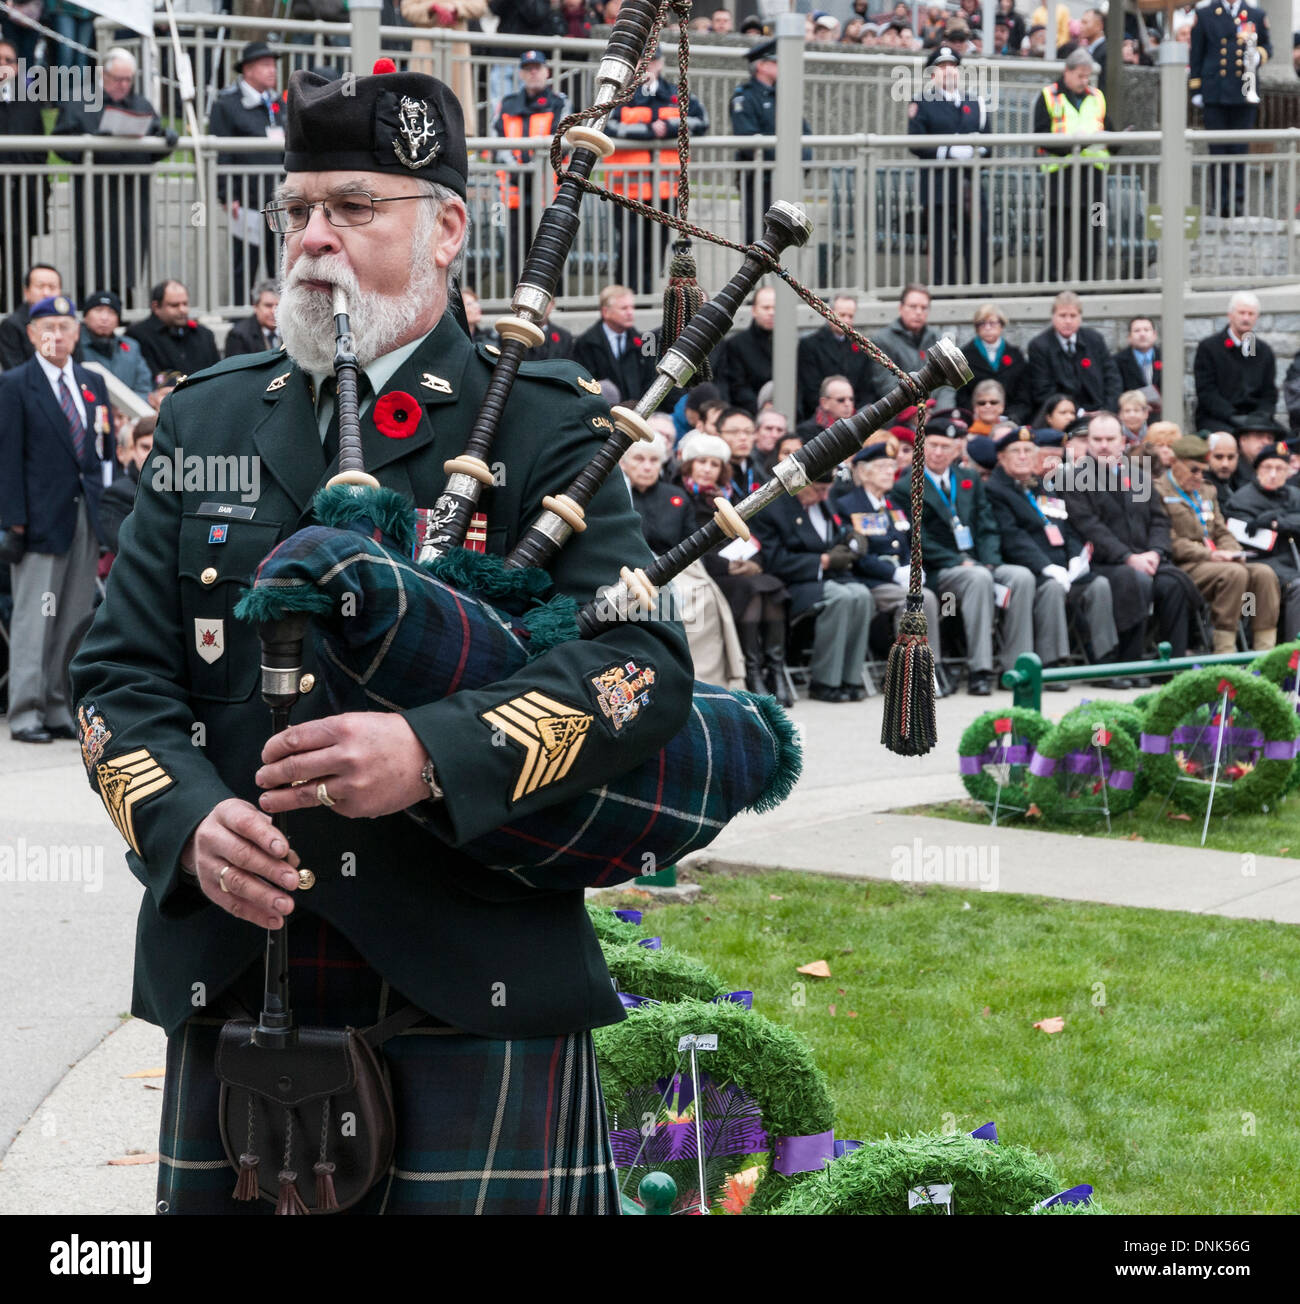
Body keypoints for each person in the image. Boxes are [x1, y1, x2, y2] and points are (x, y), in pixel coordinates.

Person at [70, 63, 696, 1216]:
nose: (315, 238)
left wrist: (434, 753)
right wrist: (184, 818)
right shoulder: (208, 415)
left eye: (354, 207)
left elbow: (636, 670)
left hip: (472, 987)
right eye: (297, 208)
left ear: (448, 227)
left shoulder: (549, 427)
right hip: (241, 985)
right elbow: (113, 678)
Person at [0, 295, 109, 743]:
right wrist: (14, 521)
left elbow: (100, 453)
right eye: (48, 327)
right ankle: (25, 709)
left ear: (76, 333)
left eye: (66, 326)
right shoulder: (15, 384)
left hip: (86, 513)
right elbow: (7, 460)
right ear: (31, 334)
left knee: (73, 615)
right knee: (33, 617)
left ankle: (59, 704)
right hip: (38, 518)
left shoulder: (91, 383)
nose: (58, 335)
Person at [889, 416, 1036, 695]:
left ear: (957, 450)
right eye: (932, 445)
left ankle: (1016, 666)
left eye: (945, 446)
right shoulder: (905, 486)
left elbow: (986, 525)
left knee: (1021, 577)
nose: (938, 452)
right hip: (940, 568)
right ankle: (980, 669)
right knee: (977, 578)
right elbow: (918, 539)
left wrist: (991, 558)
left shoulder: (968, 479)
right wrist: (960, 561)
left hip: (979, 561)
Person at [1064, 411, 1198, 668]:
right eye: (1097, 439)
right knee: (1134, 581)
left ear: (1123, 442)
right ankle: (1128, 662)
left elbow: (1160, 520)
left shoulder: (1137, 475)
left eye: (1110, 439)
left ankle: (1173, 667)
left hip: (1147, 559)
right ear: (1089, 442)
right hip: (1104, 563)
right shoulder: (1074, 478)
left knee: (1174, 584)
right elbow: (1089, 527)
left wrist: (1156, 553)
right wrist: (1128, 557)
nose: (1103, 445)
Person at [984, 423, 1118, 676]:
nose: (1023, 456)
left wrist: (1074, 560)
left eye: (1028, 450)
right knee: (1052, 588)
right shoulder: (995, 489)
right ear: (1001, 458)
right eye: (1016, 451)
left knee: (1098, 584)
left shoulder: (1042, 486)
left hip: (1062, 568)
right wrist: (1046, 566)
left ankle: (1104, 660)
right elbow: (1012, 537)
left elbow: (1066, 527)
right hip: (1029, 569)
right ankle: (1051, 663)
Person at [51, 47, 176, 307]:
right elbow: (60, 144)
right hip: (93, 197)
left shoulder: (141, 104)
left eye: (128, 80)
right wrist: (93, 146)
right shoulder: (79, 102)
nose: (123, 85)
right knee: (93, 258)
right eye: (117, 79)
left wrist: (166, 140)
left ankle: (124, 312)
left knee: (128, 261)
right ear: (103, 75)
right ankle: (93, 312)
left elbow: (153, 145)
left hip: (132, 198)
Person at [674, 430, 791, 703]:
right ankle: (753, 672)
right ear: (690, 464)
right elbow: (691, 547)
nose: (707, 469)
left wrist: (754, 564)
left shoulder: (727, 498)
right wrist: (730, 568)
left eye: (714, 464)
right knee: (749, 588)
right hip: (707, 573)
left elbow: (750, 537)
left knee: (771, 587)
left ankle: (774, 669)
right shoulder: (680, 496)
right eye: (702, 462)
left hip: (738, 569)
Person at [750, 459, 878, 704]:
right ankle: (825, 681)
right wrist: (824, 561)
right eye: (817, 489)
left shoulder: (823, 503)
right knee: (841, 597)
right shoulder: (774, 509)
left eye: (826, 490)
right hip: (790, 584)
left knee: (861, 594)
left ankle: (849, 678)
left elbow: (832, 535)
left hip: (824, 579)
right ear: (799, 485)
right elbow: (772, 560)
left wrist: (850, 540)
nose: (823, 496)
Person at [621, 437, 744, 689]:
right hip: (627, 567)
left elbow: (692, 542)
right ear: (624, 463)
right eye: (639, 459)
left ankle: (704, 680)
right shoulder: (618, 497)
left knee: (701, 595)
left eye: (654, 460)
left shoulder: (675, 496)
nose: (647, 466)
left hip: (675, 568)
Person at [830, 438, 944, 675]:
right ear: (864, 472)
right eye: (882, 467)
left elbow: (905, 543)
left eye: (892, 467)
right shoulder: (848, 505)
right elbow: (857, 553)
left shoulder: (892, 506)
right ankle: (907, 673)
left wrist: (911, 569)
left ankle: (930, 667)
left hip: (896, 579)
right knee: (912, 601)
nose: (889, 473)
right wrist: (892, 572)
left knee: (928, 596)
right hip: (870, 580)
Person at [1161, 433, 1279, 651]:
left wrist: (1234, 553)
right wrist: (1211, 555)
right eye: (1193, 469)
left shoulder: (1206, 490)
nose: (1199, 476)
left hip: (1218, 561)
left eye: (1202, 471)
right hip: (1185, 564)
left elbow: (1221, 531)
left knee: (1263, 574)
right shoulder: (1159, 491)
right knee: (1234, 575)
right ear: (1176, 464)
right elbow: (1168, 540)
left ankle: (1263, 646)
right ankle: (1224, 648)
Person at [605, 45, 708, 293]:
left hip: (664, 189)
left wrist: (670, 126)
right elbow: (609, 126)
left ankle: (647, 296)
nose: (648, 65)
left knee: (658, 247)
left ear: (661, 64)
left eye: (652, 61)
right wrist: (650, 131)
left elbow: (702, 122)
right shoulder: (621, 93)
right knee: (629, 248)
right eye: (643, 60)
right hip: (628, 190)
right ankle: (626, 295)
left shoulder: (676, 93)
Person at [207, 42, 286, 306]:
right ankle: (238, 313)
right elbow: (221, 154)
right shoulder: (227, 104)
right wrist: (226, 195)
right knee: (245, 264)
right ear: (248, 70)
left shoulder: (277, 103)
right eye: (265, 65)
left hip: (278, 198)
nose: (272, 70)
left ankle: (281, 317)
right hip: (246, 198)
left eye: (273, 65)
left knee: (281, 262)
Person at [906, 45, 990, 288]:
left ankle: (979, 290)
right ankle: (944, 293)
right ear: (933, 75)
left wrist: (975, 152)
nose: (948, 72)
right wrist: (948, 151)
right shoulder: (922, 102)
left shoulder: (976, 103)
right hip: (939, 186)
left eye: (952, 67)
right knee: (942, 243)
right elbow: (916, 142)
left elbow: (989, 144)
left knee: (976, 240)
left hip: (968, 185)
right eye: (942, 68)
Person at [493, 50, 569, 290]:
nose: (533, 72)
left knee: (550, 251)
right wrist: (518, 169)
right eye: (528, 68)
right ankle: (519, 303)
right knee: (517, 253)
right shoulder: (507, 104)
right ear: (521, 74)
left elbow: (564, 141)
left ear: (547, 72)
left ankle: (555, 305)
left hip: (548, 192)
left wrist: (538, 170)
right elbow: (497, 141)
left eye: (537, 67)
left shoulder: (560, 102)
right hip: (515, 191)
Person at [1033, 48, 1110, 283]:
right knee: (1058, 237)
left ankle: (1088, 284)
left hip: (1094, 180)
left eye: (1088, 76)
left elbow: (1110, 128)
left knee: (1094, 231)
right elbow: (1040, 137)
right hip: (1061, 180)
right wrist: (1073, 146)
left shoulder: (1097, 96)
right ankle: (1051, 284)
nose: (1084, 81)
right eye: (1080, 76)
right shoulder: (1048, 95)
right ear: (1067, 72)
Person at [1190, 0, 1273, 217]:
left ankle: (1237, 202)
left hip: (1244, 90)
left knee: (1239, 149)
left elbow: (1267, 46)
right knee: (1217, 150)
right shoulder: (1205, 13)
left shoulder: (1255, 14)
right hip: (1215, 91)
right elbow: (1197, 52)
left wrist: (1258, 56)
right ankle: (1219, 202)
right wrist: (1196, 89)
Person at [730, 39, 810, 246]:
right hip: (759, 180)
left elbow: (804, 134)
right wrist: (785, 161)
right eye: (776, 62)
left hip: (786, 179)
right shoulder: (744, 97)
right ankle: (760, 280)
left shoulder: (784, 96)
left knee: (789, 238)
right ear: (761, 66)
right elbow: (748, 140)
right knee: (757, 237)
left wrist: (802, 165)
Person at [1224, 439, 1300, 640]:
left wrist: (1277, 521)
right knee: (1298, 587)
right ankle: (1294, 652)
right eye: (1267, 467)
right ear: (1257, 470)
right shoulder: (1242, 498)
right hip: (1261, 562)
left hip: (1292, 561)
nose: (1273, 474)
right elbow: (1246, 533)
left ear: (1288, 471)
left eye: (1279, 468)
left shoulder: (1294, 494)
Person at [0, 37, 47, 312]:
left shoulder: (29, 102)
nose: (3, 66)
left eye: (9, 61)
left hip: (20, 198)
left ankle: (14, 318)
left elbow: (39, 148)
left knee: (18, 261)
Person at [1193, 291, 1278, 430]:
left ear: (1257, 317)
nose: (1246, 318)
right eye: (1241, 312)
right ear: (1230, 315)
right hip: (1217, 418)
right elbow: (1206, 392)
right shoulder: (1209, 348)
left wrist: (1261, 415)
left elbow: (1269, 393)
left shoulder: (1264, 351)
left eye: (1251, 314)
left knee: (1284, 444)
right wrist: (1232, 416)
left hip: (1255, 419)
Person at [1026, 291, 1121, 414]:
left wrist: (1106, 410)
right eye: (1063, 315)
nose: (1068, 321)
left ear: (1080, 317)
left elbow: (1112, 379)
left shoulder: (1094, 340)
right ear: (1053, 317)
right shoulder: (1039, 346)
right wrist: (1078, 413)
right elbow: (1043, 391)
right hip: (1062, 414)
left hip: (1100, 410)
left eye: (1073, 316)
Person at [869, 284, 958, 409]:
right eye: (913, 306)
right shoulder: (882, 341)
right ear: (901, 308)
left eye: (924, 308)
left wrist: (941, 415)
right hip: (900, 417)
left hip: (936, 416)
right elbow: (886, 386)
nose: (918, 312)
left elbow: (948, 382)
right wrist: (916, 412)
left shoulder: (938, 339)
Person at [571, 283, 657, 401]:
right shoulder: (586, 344)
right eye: (624, 308)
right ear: (606, 312)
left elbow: (650, 380)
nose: (630, 312)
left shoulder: (643, 343)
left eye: (632, 307)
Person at [795, 294, 875, 421]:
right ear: (829, 314)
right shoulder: (810, 346)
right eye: (842, 315)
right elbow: (810, 389)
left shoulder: (860, 348)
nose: (847, 321)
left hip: (855, 415)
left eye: (850, 316)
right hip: (819, 417)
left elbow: (866, 388)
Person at [126, 280, 221, 385]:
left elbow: (218, 373)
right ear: (156, 307)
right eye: (174, 305)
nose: (182, 310)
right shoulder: (139, 335)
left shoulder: (204, 334)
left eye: (185, 304)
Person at [955, 302, 1031, 423]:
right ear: (976, 328)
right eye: (982, 323)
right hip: (976, 420)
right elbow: (961, 396)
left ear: (1002, 325)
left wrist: (1012, 418)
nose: (988, 327)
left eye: (992, 323)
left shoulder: (1016, 355)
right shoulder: (964, 356)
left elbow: (1023, 397)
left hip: (1009, 419)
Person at [80, 289, 152, 400]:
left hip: (129, 413)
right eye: (98, 310)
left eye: (111, 312)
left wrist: (128, 408)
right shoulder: (75, 346)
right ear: (85, 316)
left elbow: (144, 387)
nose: (104, 318)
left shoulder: (131, 347)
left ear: (118, 320)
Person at [98, 412, 154, 554]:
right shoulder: (116, 494)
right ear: (133, 450)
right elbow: (126, 548)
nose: (151, 455)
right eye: (145, 447)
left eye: (158, 448)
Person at [713, 286, 775, 415]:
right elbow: (738, 387)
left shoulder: (792, 343)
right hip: (750, 413)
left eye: (775, 308)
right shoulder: (737, 344)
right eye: (766, 308)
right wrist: (762, 409)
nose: (771, 312)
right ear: (754, 310)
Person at [0, 263, 64, 370]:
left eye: (52, 287)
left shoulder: (67, 323)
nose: (46, 293)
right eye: (40, 286)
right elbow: (14, 371)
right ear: (27, 291)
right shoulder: (12, 325)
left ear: (60, 292)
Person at [717, 405, 768, 500]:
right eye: (734, 431)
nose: (743, 438)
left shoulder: (761, 474)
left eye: (748, 431)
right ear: (718, 435)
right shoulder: (711, 474)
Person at [223, 280, 281, 358]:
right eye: (268, 305)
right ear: (255, 306)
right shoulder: (238, 335)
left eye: (279, 305)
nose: (274, 311)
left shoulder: (292, 330)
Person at [1112, 315, 1162, 403]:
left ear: (1154, 335)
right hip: (1131, 412)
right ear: (1129, 337)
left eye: (1146, 330)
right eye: (1137, 331)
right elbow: (1115, 391)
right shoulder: (1117, 361)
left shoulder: (1166, 358)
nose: (1142, 334)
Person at [796, 375, 855, 443]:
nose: (848, 404)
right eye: (841, 400)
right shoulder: (805, 432)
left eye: (851, 399)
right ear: (824, 403)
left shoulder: (859, 427)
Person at [1205, 430, 1248, 497]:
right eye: (1219, 457)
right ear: (1207, 457)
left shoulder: (1244, 480)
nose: (1225, 464)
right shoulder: (1202, 489)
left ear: (1237, 457)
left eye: (1230, 457)